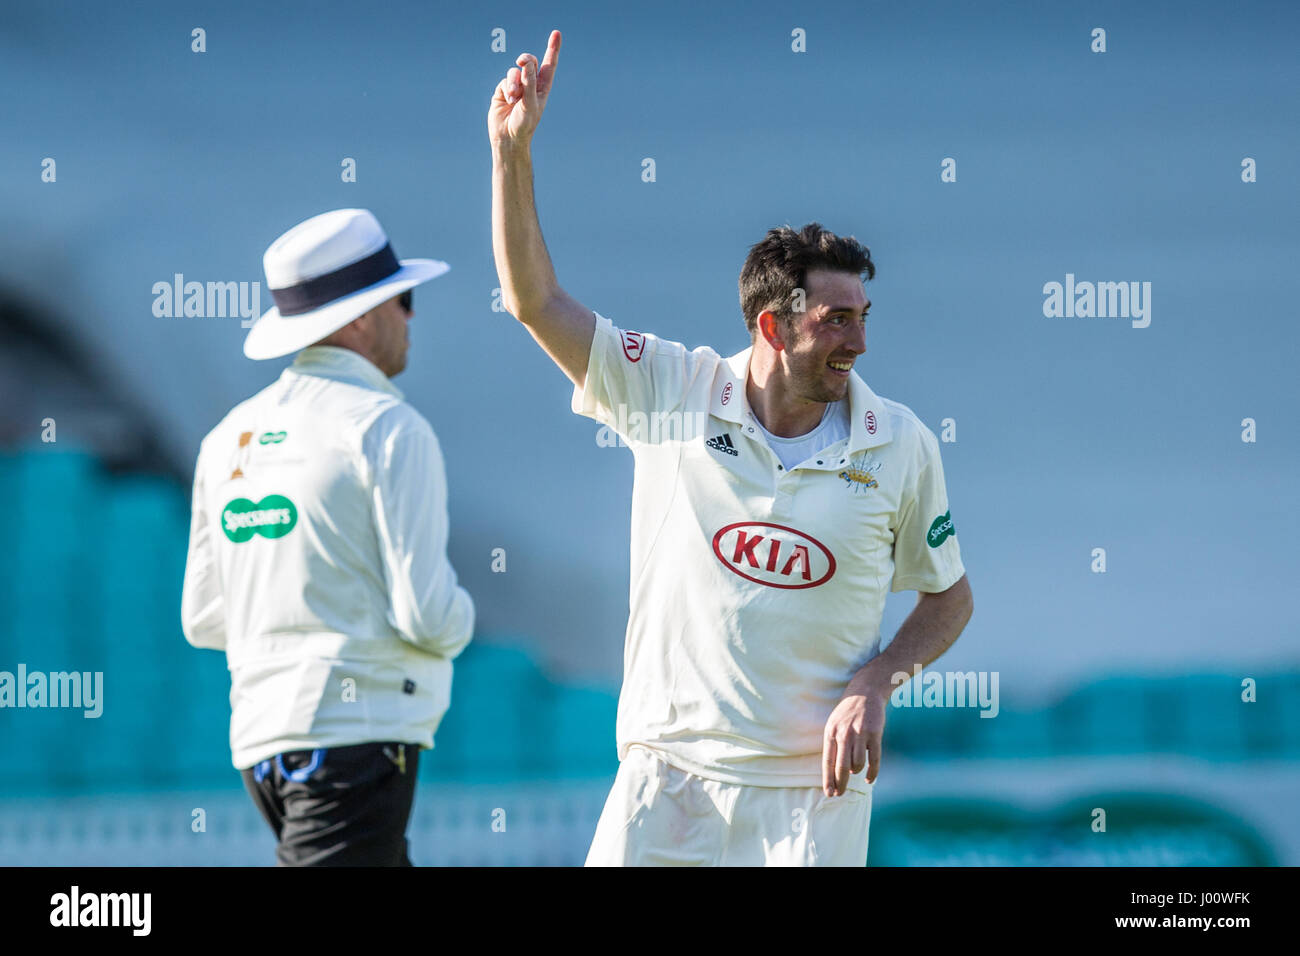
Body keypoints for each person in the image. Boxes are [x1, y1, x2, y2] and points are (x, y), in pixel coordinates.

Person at [489, 32, 974, 866]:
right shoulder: (672, 387)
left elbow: (949, 599)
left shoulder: (900, 443)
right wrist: (511, 154)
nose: (859, 340)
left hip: (810, 802)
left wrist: (878, 678)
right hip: (667, 779)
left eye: (864, 316)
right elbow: (535, 302)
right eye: (837, 321)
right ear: (771, 327)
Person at [181, 208, 474, 866]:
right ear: (363, 317)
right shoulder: (388, 428)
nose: (412, 316)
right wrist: (465, 617)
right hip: (356, 741)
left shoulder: (225, 436)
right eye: (405, 298)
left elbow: (203, 619)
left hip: (263, 748)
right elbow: (428, 616)